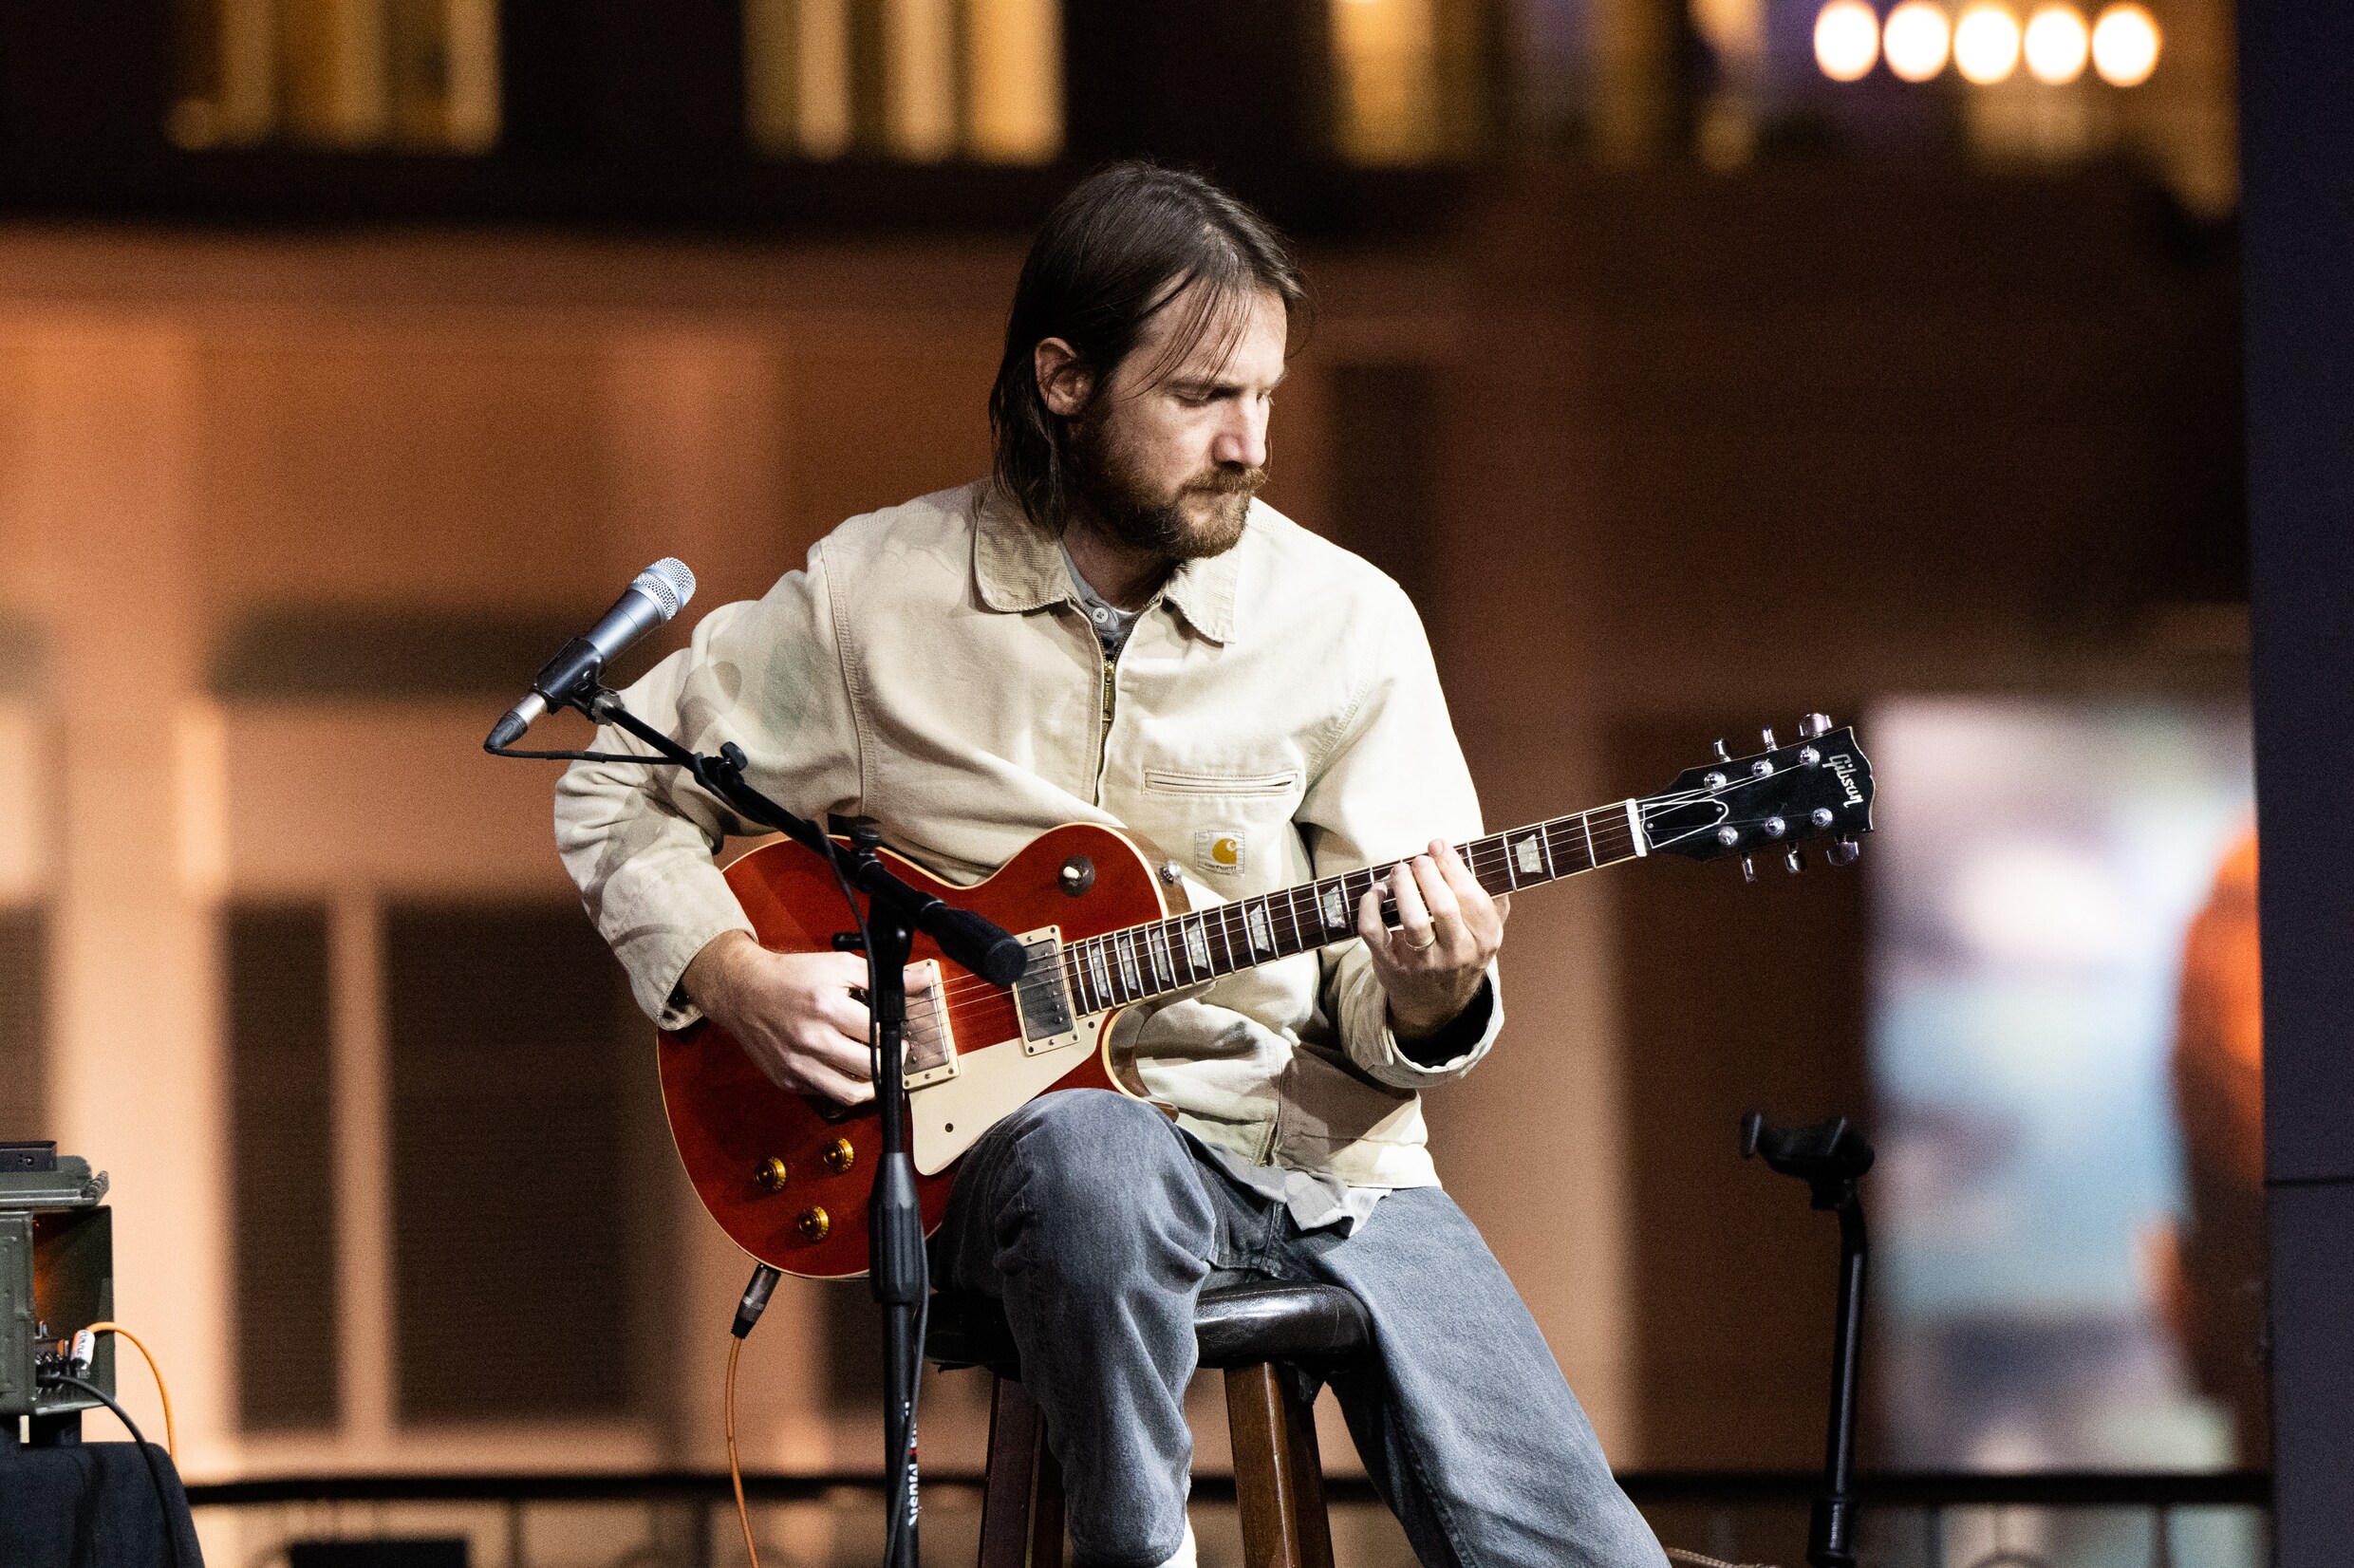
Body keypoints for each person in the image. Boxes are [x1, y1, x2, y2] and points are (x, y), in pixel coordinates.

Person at [557, 160, 1665, 1568]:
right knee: (1097, 1155)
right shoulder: (873, 598)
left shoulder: (1349, 624)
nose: (1248, 442)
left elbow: (1386, 1033)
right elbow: (612, 781)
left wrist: (1438, 993)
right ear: (1064, 379)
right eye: (1203, 397)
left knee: (1585, 1553)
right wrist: (731, 975)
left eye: (1263, 396)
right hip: (1025, 1173)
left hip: (1322, 1163)